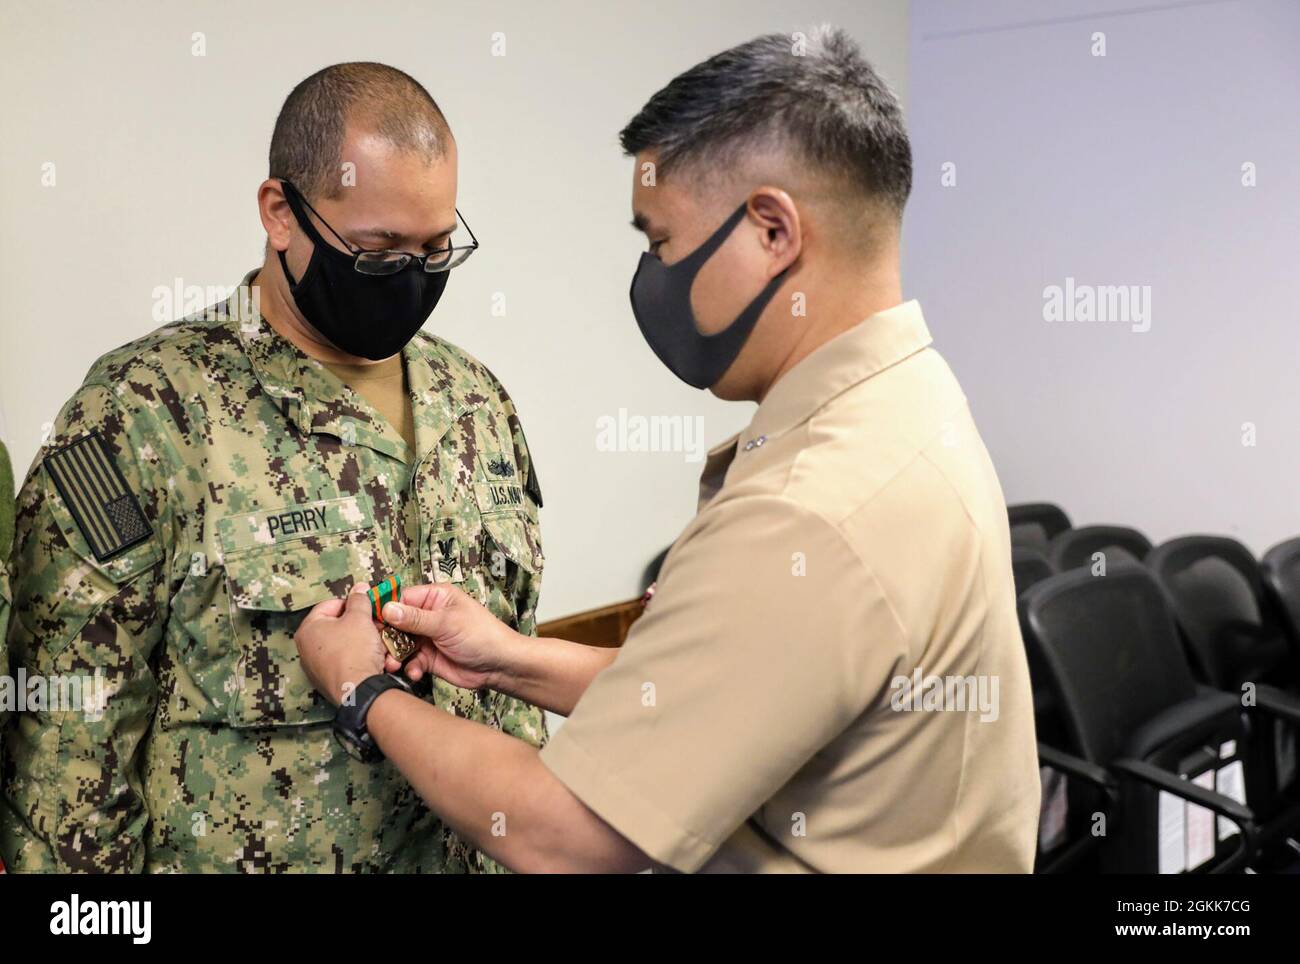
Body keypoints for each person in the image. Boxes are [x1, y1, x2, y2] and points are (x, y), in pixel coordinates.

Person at [294, 28, 1041, 873]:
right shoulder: (908, 406)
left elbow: (562, 835)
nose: (651, 277)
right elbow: (722, 700)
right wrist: (508, 657)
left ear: (770, 231)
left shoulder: (807, 508)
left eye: (661, 243)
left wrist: (367, 691)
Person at [0, 63, 546, 873]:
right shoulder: (141, 414)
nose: (412, 280)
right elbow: (69, 769)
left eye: (436, 251)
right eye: (377, 252)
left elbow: (518, 707)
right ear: (281, 213)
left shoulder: (477, 405)